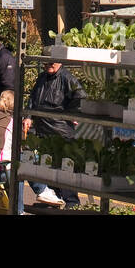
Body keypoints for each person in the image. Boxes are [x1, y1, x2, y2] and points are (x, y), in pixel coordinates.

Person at [23, 60, 86, 208]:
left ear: (59, 62)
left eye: (51, 63)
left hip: (60, 130)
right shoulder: (42, 77)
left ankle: (72, 203)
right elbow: (33, 98)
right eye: (45, 63)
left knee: (64, 168)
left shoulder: (67, 77)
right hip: (43, 130)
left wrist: (70, 114)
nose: (47, 66)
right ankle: (55, 199)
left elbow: (81, 96)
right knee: (47, 165)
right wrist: (28, 116)